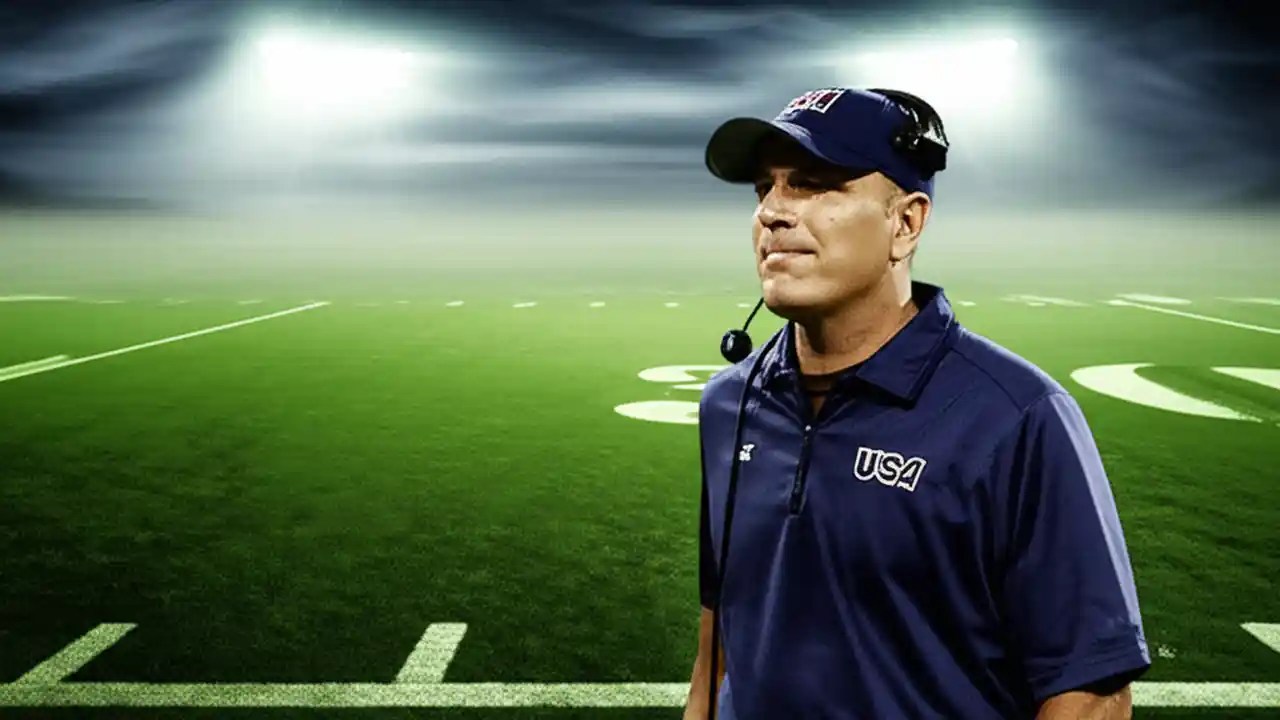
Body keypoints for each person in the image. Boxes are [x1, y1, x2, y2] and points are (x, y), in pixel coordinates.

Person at [684, 87, 1151, 719]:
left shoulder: (1016, 416)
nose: (773, 211)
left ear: (906, 222)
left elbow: (1092, 695)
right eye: (765, 187)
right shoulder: (729, 404)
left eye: (816, 184)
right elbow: (720, 641)